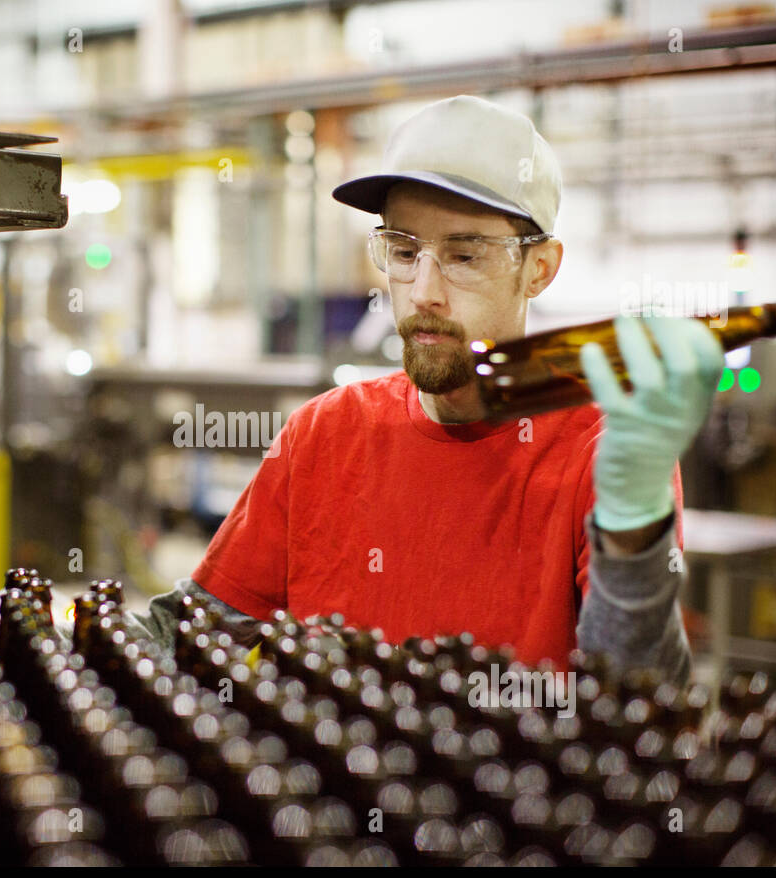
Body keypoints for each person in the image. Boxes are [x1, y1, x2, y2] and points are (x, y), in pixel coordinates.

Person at [110, 94, 724, 684]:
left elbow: (638, 705)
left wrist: (632, 530)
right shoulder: (324, 433)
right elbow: (189, 636)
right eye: (404, 250)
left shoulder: (601, 453)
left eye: (464, 255)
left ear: (539, 268)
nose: (423, 291)